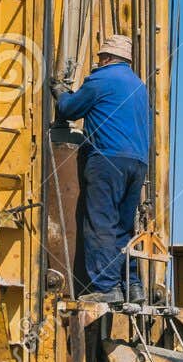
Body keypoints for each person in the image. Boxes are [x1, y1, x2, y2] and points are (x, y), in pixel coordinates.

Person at [51, 35, 150, 304]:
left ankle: (106, 288)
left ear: (105, 58)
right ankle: (132, 286)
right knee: (123, 227)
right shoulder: (139, 86)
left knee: (100, 222)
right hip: (137, 164)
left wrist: (61, 94)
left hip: (107, 159)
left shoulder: (102, 79)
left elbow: (71, 109)